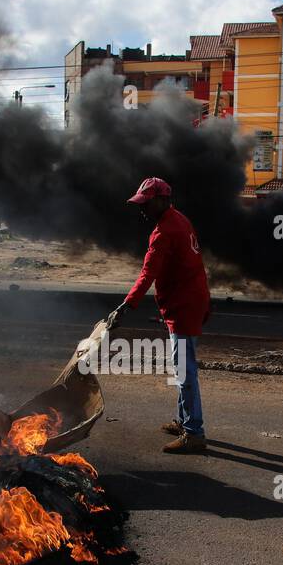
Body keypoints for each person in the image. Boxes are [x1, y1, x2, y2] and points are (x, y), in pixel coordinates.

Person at [111, 177, 211, 455]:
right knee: (182, 366)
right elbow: (197, 263)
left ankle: (194, 433)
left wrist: (126, 306)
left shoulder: (165, 231)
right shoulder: (180, 220)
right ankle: (185, 421)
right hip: (189, 301)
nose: (142, 209)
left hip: (183, 305)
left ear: (162, 200)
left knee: (184, 370)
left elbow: (148, 274)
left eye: (146, 203)